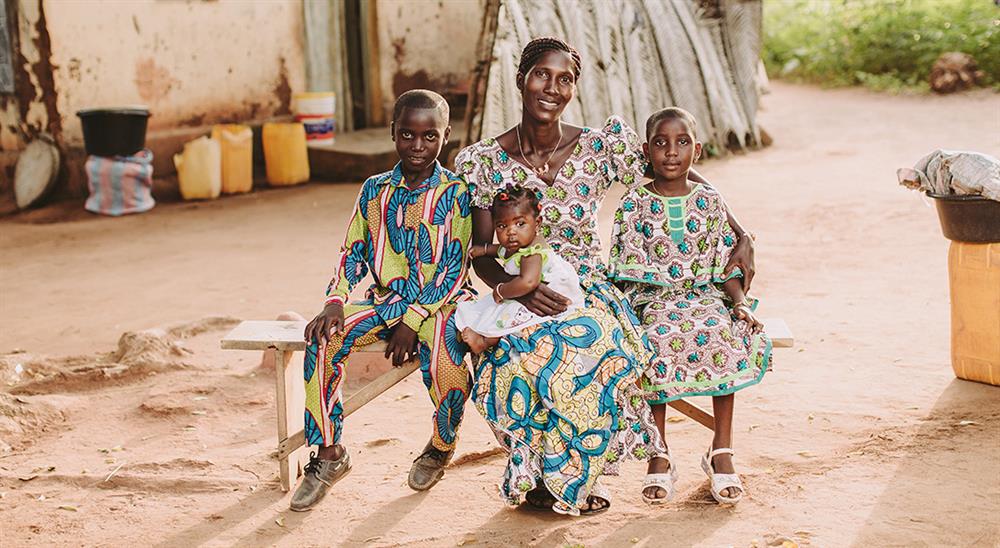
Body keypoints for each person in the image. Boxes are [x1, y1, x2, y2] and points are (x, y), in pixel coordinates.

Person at [291, 89, 475, 511]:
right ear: (394, 133)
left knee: (447, 357)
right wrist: (336, 300)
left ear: (445, 137)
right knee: (323, 339)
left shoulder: (456, 192)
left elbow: (451, 268)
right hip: (385, 299)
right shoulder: (375, 189)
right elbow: (354, 247)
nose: (417, 145)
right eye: (407, 134)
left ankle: (440, 446)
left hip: (439, 303)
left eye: (429, 137)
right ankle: (329, 454)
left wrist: (412, 321)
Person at [609, 107, 772, 505]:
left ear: (696, 150)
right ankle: (659, 454)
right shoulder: (633, 204)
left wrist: (739, 304)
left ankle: (722, 450)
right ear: (646, 151)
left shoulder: (710, 201)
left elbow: (725, 266)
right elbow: (624, 273)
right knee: (656, 341)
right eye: (661, 143)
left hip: (704, 296)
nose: (671, 152)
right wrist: (627, 312)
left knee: (721, 333)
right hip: (655, 299)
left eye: (682, 142)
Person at [456, 184, 586, 354]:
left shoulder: (532, 252)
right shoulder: (518, 243)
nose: (511, 232)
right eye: (502, 226)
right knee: (497, 307)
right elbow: (502, 251)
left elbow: (528, 282)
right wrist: (485, 249)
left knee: (507, 313)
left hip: (548, 294)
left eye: (520, 223)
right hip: (526, 288)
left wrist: (501, 291)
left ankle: (486, 340)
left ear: (537, 223)